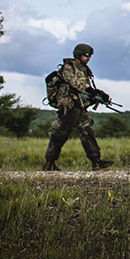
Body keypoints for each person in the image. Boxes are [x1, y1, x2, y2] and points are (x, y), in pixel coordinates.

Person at [42, 43, 115, 171]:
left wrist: (98, 94)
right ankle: (49, 163)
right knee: (60, 134)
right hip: (68, 106)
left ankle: (96, 162)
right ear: (78, 55)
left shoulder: (84, 69)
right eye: (86, 55)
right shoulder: (69, 67)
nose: (88, 58)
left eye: (90, 56)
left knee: (87, 132)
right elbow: (74, 83)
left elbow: (86, 87)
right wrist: (91, 91)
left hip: (79, 105)